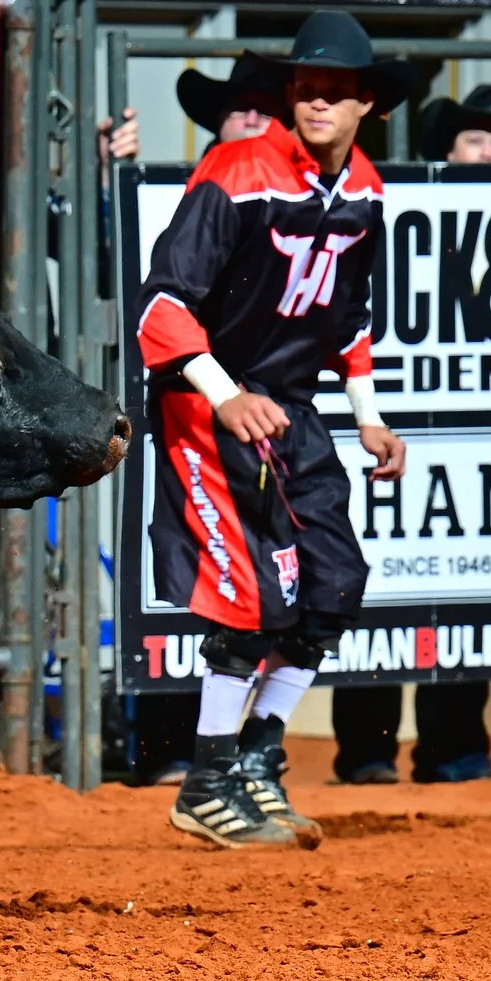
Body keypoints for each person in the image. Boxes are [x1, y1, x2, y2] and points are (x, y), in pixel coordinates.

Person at [137, 11, 418, 848]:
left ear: (367, 101)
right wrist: (224, 395)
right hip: (207, 397)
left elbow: (349, 316)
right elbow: (161, 305)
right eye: (305, 88)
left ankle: (256, 757)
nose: (317, 101)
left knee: (334, 579)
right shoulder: (236, 170)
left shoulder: (364, 189)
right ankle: (206, 779)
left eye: (335, 90)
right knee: (252, 597)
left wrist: (369, 417)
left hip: (289, 405)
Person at [330, 82, 491, 785]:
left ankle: (455, 746)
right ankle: (367, 750)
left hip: (484, 435)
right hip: (384, 414)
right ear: (448, 148)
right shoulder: (385, 208)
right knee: (375, 578)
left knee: (473, 585)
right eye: (475, 139)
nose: (487, 153)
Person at [101, 52, 291, 785]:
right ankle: (168, 744)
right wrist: (102, 181)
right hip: (171, 410)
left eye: (265, 104)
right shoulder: (185, 189)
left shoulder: (293, 202)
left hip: (255, 414)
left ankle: (234, 751)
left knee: (258, 579)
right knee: (175, 578)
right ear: (215, 121)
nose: (251, 113)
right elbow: (99, 267)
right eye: (238, 103)